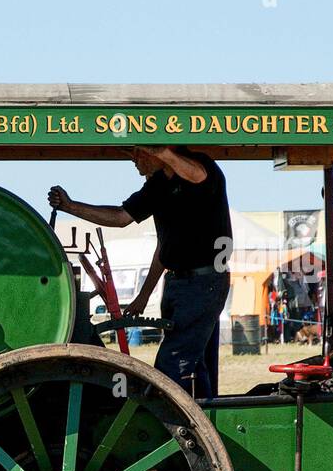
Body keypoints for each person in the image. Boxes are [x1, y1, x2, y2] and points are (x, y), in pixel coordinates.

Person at [49, 145, 232, 399]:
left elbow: (197, 174)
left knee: (173, 363)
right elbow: (124, 218)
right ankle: (204, 418)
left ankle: (171, 427)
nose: (133, 160)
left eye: (136, 153)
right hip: (179, 284)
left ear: (156, 150)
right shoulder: (158, 187)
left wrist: (160, 151)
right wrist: (71, 207)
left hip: (204, 283)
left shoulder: (203, 169)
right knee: (193, 363)